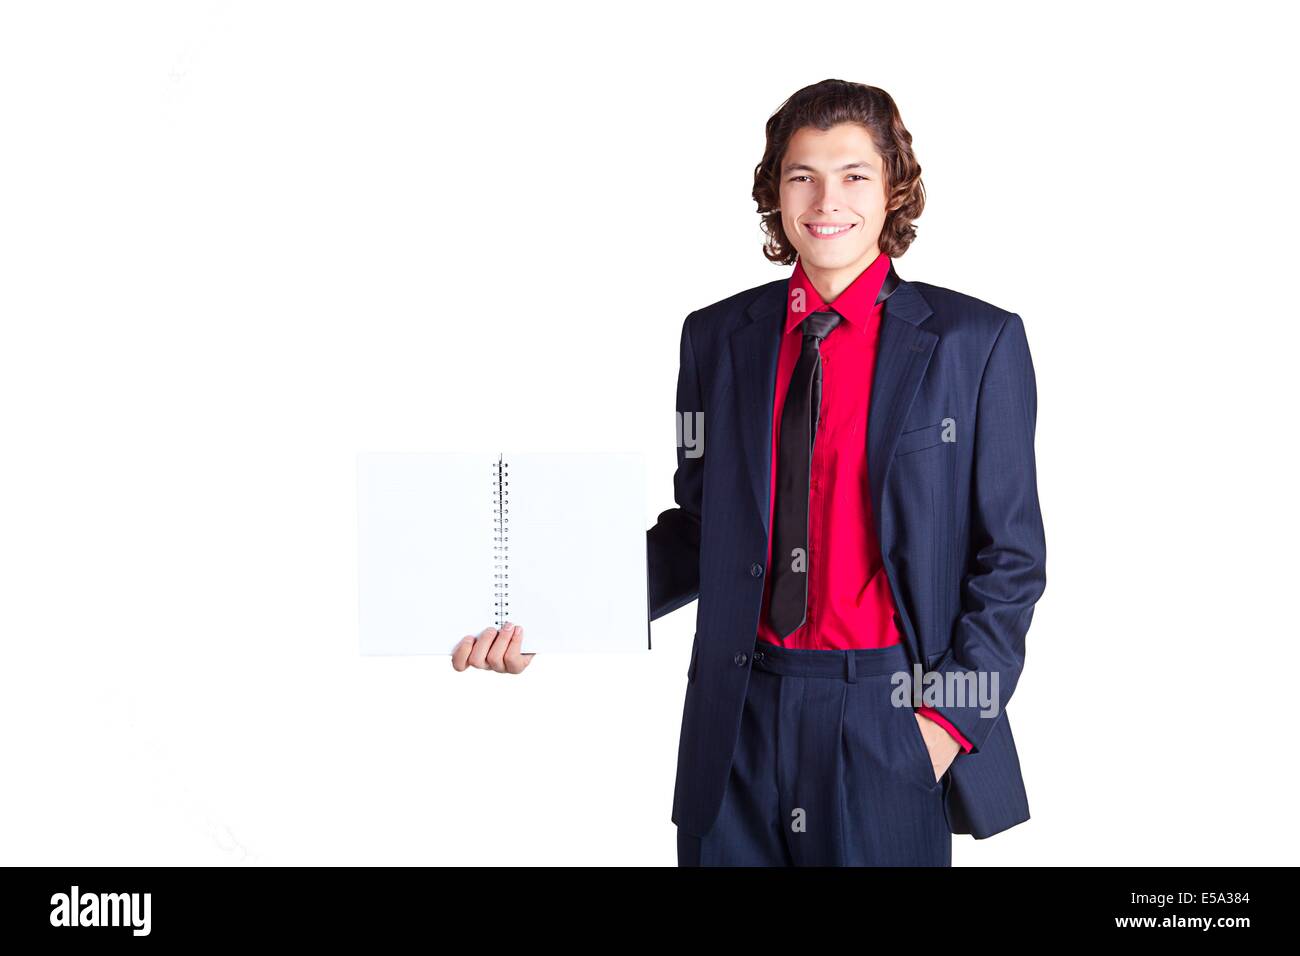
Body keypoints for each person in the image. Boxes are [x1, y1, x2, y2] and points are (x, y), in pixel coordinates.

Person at [451, 78, 1047, 867]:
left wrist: (946, 727)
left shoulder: (977, 343)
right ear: (775, 192)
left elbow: (1010, 560)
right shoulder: (716, 338)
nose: (826, 199)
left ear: (895, 189)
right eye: (803, 175)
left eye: (855, 176)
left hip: (888, 717)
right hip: (737, 717)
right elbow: (700, 531)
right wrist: (545, 613)